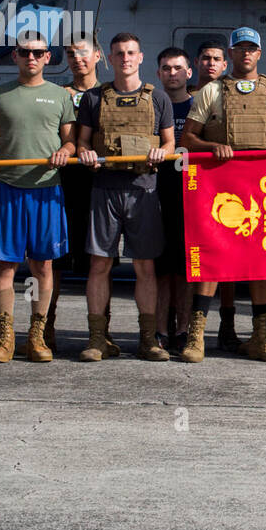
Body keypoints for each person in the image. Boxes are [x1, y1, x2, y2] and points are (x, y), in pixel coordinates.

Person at [179, 26, 266, 363]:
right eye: (240, 48)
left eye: (251, 48)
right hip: (220, 184)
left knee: (262, 261)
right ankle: (196, 336)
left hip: (265, 187)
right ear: (231, 53)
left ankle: (261, 338)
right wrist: (212, 146)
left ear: (259, 53)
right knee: (212, 258)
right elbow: (187, 139)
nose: (246, 53)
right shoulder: (211, 92)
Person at [0, 33, 75, 362]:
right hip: (6, 188)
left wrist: (65, 151)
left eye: (38, 53)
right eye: (25, 52)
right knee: (5, 265)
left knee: (42, 264)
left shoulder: (60, 96)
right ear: (14, 55)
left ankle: (37, 336)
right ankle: (5, 337)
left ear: (47, 58)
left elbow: (71, 142)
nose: (31, 58)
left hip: (46, 189)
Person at [74, 32, 176, 361]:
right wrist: (85, 153)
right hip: (104, 188)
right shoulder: (93, 98)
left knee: (145, 266)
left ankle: (148, 339)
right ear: (110, 59)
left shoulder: (158, 98)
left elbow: (170, 143)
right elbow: (82, 142)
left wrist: (162, 152)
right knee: (99, 264)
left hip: (143, 188)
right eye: (119, 53)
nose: (125, 58)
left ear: (140, 57)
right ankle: (97, 339)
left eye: (131, 53)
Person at [44, 34, 104, 355]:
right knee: (53, 260)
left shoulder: (109, 95)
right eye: (70, 54)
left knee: (100, 261)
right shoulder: (57, 95)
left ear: (97, 55)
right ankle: (46, 326)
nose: (77, 59)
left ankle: (100, 332)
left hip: (99, 185)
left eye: (83, 53)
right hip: (62, 184)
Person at [193, 40, 244, 352]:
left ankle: (227, 327)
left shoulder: (231, 96)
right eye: (205, 58)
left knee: (226, 262)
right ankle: (185, 328)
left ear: (225, 65)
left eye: (216, 59)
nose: (211, 64)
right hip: (193, 184)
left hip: (225, 186)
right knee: (191, 262)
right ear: (196, 63)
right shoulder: (187, 97)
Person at [154, 47, 195, 354]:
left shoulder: (198, 107)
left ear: (188, 73)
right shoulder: (151, 105)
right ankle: (158, 331)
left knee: (185, 271)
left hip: (192, 197)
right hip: (155, 194)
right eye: (166, 68)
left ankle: (183, 330)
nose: (172, 73)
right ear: (158, 73)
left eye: (178, 68)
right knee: (160, 270)